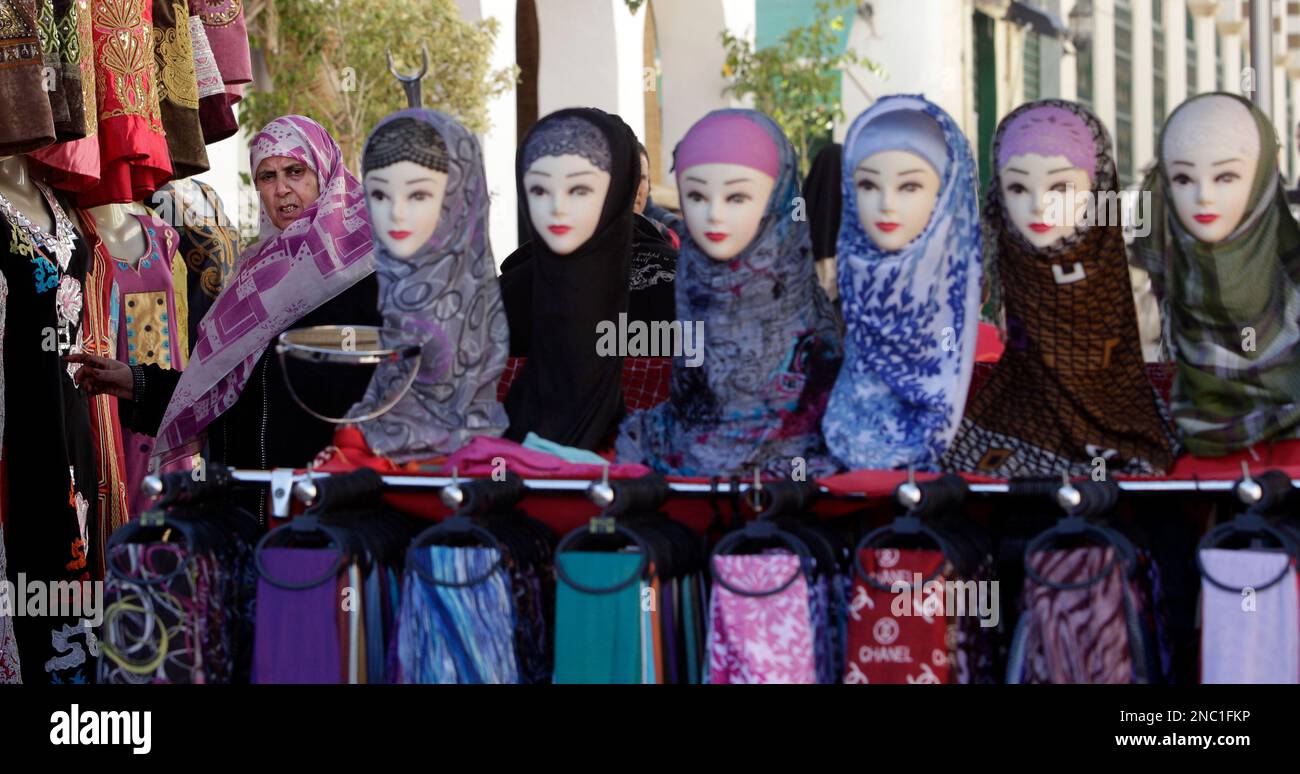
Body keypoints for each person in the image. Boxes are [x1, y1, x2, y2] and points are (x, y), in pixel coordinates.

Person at [68, 115, 381, 524]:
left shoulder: (367, 274)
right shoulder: (253, 276)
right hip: (247, 511)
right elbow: (227, 393)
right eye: (267, 176)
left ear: (324, 172)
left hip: (333, 513)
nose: (282, 188)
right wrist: (136, 383)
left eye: (295, 171)